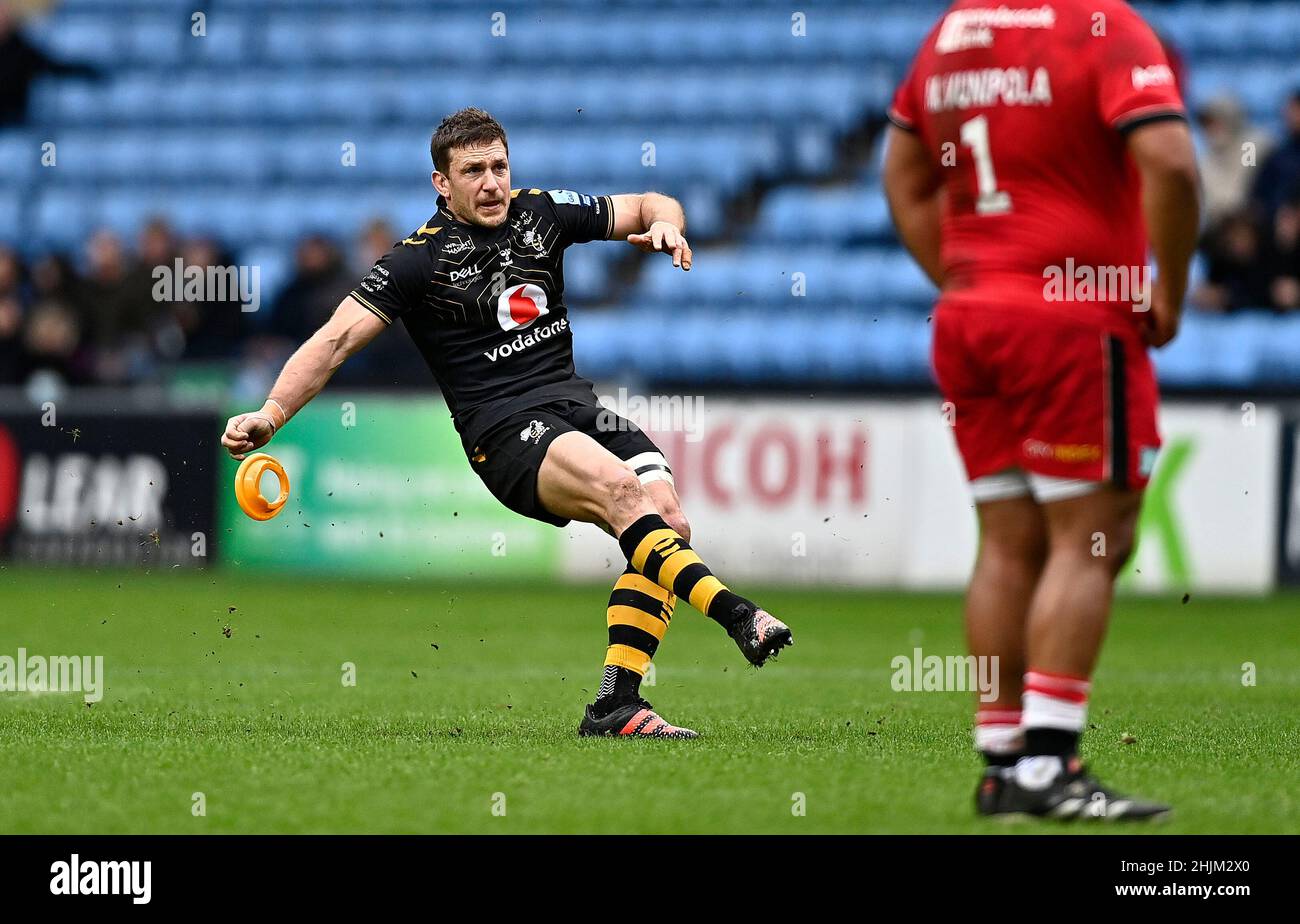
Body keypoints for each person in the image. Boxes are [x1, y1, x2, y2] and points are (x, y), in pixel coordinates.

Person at [221, 108, 793, 738]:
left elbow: (652, 202)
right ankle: (739, 615)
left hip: (577, 406)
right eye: (473, 171)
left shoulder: (541, 212)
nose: (492, 183)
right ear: (442, 182)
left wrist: (665, 225)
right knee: (625, 495)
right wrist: (271, 413)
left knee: (671, 523)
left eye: (499, 166)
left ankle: (617, 705)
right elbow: (332, 342)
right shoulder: (418, 262)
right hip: (504, 431)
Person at [883, 0, 1199, 819]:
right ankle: (1050, 765)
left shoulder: (952, 32)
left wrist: (965, 280)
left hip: (971, 320)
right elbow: (1171, 162)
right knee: (1091, 536)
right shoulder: (1105, 24)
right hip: (1070, 317)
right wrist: (1169, 286)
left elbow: (903, 176)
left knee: (1008, 540)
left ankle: (1001, 764)